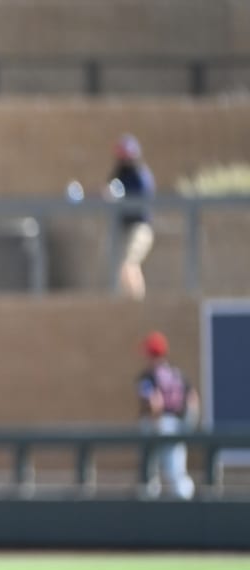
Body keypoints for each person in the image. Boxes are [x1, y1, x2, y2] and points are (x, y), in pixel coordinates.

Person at [136, 330, 198, 501]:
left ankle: (150, 499)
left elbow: (154, 402)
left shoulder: (148, 376)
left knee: (151, 471)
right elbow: (193, 400)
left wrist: (156, 423)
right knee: (176, 470)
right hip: (177, 425)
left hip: (158, 424)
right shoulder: (177, 374)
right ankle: (184, 499)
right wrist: (187, 426)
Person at [106, 133, 155, 300]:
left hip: (139, 226)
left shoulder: (140, 175)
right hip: (122, 228)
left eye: (127, 157)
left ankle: (137, 301)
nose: (124, 161)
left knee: (129, 264)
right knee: (117, 266)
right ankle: (123, 300)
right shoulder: (119, 175)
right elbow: (110, 190)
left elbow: (141, 198)